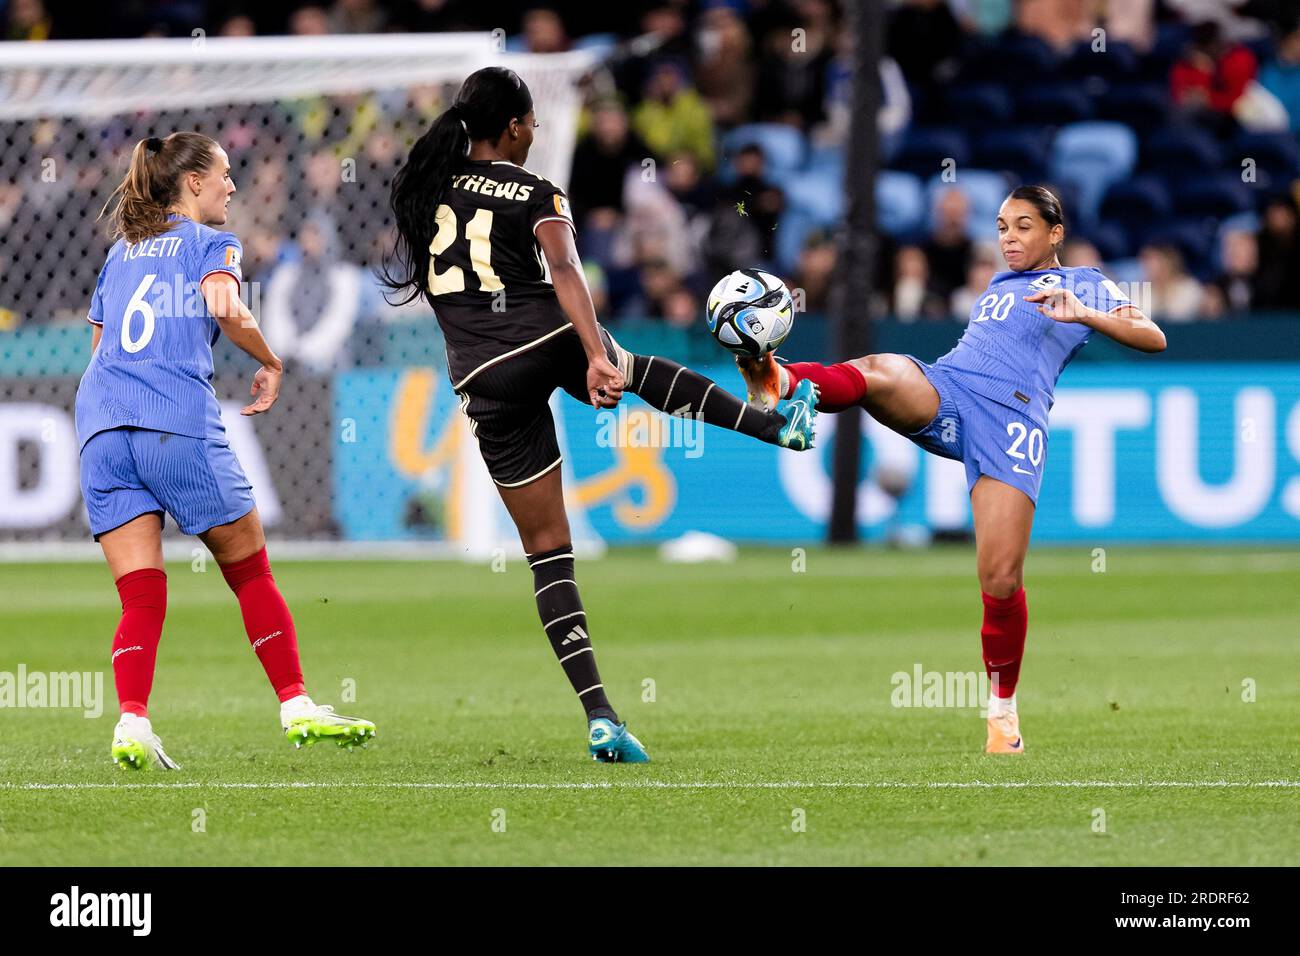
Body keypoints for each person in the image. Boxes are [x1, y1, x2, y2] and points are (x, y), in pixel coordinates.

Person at [383, 67, 818, 763]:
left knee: (549, 553)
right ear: (519, 126)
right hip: (538, 335)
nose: (537, 133)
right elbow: (563, 268)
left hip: (480, 375)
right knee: (633, 368)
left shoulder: (423, 182)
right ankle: (778, 426)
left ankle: (601, 717)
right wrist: (593, 352)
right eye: (533, 123)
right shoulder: (533, 189)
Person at [736, 186, 1166, 755]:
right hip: (952, 387)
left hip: (1013, 422)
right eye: (1002, 227)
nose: (1008, 238)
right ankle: (780, 380)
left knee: (1000, 579)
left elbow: (1153, 337)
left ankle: (1003, 716)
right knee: (878, 369)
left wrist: (1083, 312)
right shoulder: (996, 282)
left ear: (1054, 233)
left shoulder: (1085, 282)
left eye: (1023, 227)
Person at [79, 132, 376, 770]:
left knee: (139, 595)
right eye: (225, 174)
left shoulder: (121, 251)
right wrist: (268, 359)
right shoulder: (211, 243)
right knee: (249, 571)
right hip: (174, 423)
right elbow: (222, 301)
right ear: (193, 184)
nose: (233, 186)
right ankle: (296, 705)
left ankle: (132, 722)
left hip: (101, 429)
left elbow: (101, 347)